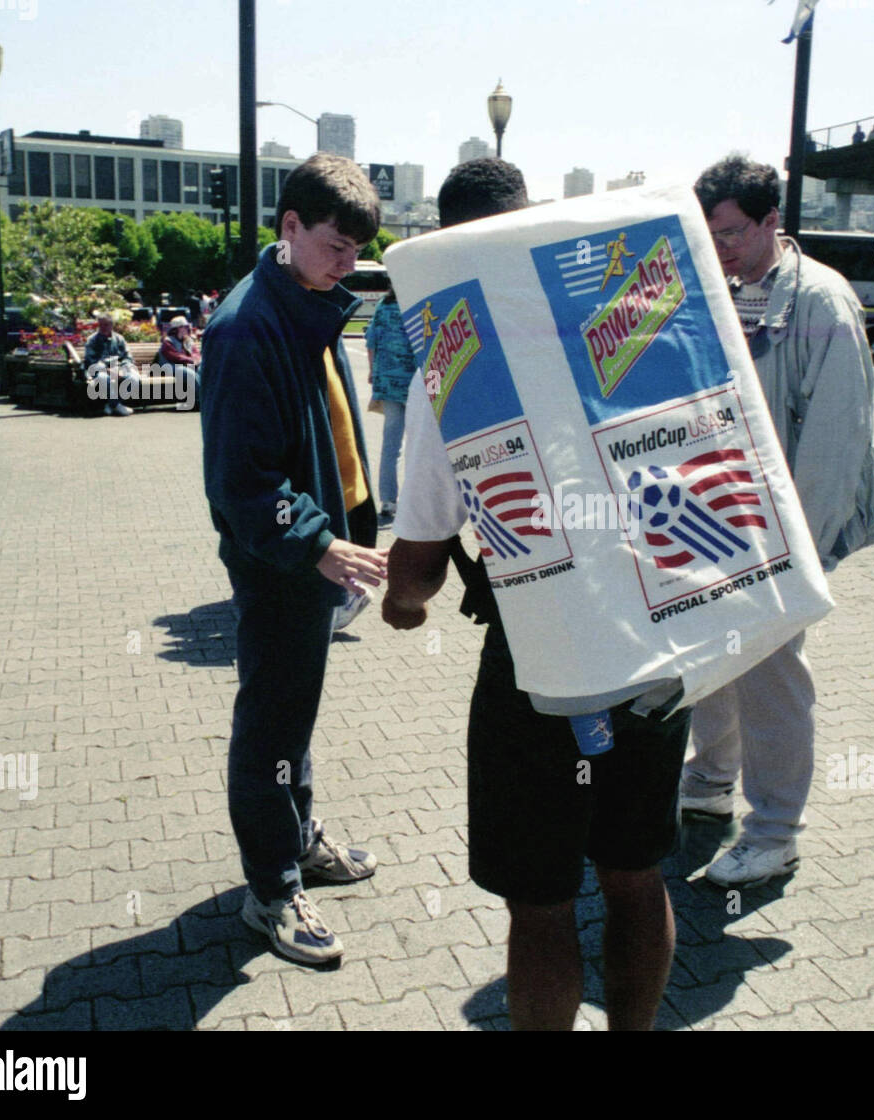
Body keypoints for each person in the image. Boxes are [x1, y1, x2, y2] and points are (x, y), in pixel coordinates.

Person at [382, 158, 691, 1031]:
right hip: (659, 639)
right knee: (636, 874)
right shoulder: (634, 320)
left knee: (543, 900)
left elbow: (420, 562)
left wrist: (402, 604)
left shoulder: (454, 355)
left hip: (541, 657)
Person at [679, 156, 874, 887]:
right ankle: (710, 781)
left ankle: (775, 833)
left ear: (773, 220)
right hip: (719, 519)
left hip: (781, 530)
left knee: (771, 678)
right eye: (708, 235)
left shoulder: (822, 302)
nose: (720, 248)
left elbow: (837, 440)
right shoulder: (719, 288)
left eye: (731, 233)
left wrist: (800, 556)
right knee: (714, 658)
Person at [200, 154, 387, 966]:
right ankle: (273, 888)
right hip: (283, 562)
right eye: (337, 246)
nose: (349, 265)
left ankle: (297, 840)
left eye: (357, 251)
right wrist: (317, 541)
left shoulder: (302, 300)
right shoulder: (246, 327)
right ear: (290, 227)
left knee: (291, 713)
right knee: (273, 722)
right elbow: (241, 482)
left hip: (310, 556)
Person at [364, 283, 414, 529]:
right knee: (418, 444)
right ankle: (416, 500)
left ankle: (388, 501)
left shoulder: (383, 306)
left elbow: (371, 341)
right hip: (417, 383)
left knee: (390, 445)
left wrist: (373, 372)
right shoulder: (418, 304)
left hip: (388, 381)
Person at [83, 312, 138, 417]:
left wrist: (122, 369)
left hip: (118, 369)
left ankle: (111, 404)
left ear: (112, 325)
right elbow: (91, 362)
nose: (103, 327)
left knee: (134, 377)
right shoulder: (92, 340)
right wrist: (108, 370)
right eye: (101, 325)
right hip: (98, 370)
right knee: (103, 378)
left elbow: (128, 357)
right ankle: (117, 405)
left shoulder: (119, 339)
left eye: (106, 324)